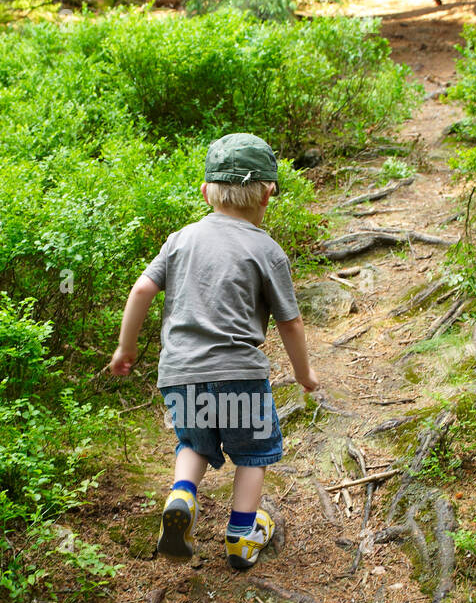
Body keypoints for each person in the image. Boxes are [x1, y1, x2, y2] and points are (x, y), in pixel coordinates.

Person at [108, 132, 319, 570]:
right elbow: (290, 322)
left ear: (205, 191)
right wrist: (303, 374)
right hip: (240, 374)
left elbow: (142, 288)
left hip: (181, 374)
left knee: (194, 442)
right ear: (268, 194)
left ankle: (182, 495)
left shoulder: (180, 239)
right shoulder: (267, 250)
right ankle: (242, 534)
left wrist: (125, 348)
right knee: (253, 452)